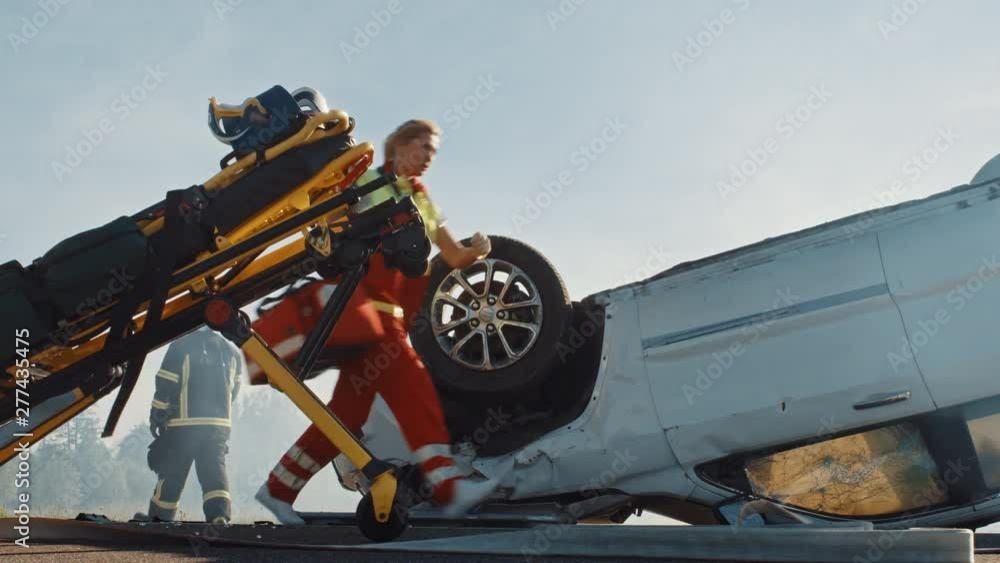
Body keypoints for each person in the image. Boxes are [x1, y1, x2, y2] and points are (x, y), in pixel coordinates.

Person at [255, 119, 496, 524]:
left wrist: (477, 250)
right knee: (415, 390)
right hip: (367, 316)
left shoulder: (421, 199)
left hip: (388, 318)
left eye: (432, 153)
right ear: (399, 146)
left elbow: (452, 256)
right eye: (422, 148)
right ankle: (450, 490)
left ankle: (277, 489)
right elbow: (325, 229)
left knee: (346, 417)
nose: (427, 159)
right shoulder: (364, 182)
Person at [140, 326, 243, 524]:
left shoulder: (181, 345)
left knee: (173, 471)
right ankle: (219, 515)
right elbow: (234, 390)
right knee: (213, 469)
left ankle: (160, 517)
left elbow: (166, 381)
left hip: (183, 425)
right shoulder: (231, 351)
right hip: (218, 425)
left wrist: (158, 414)